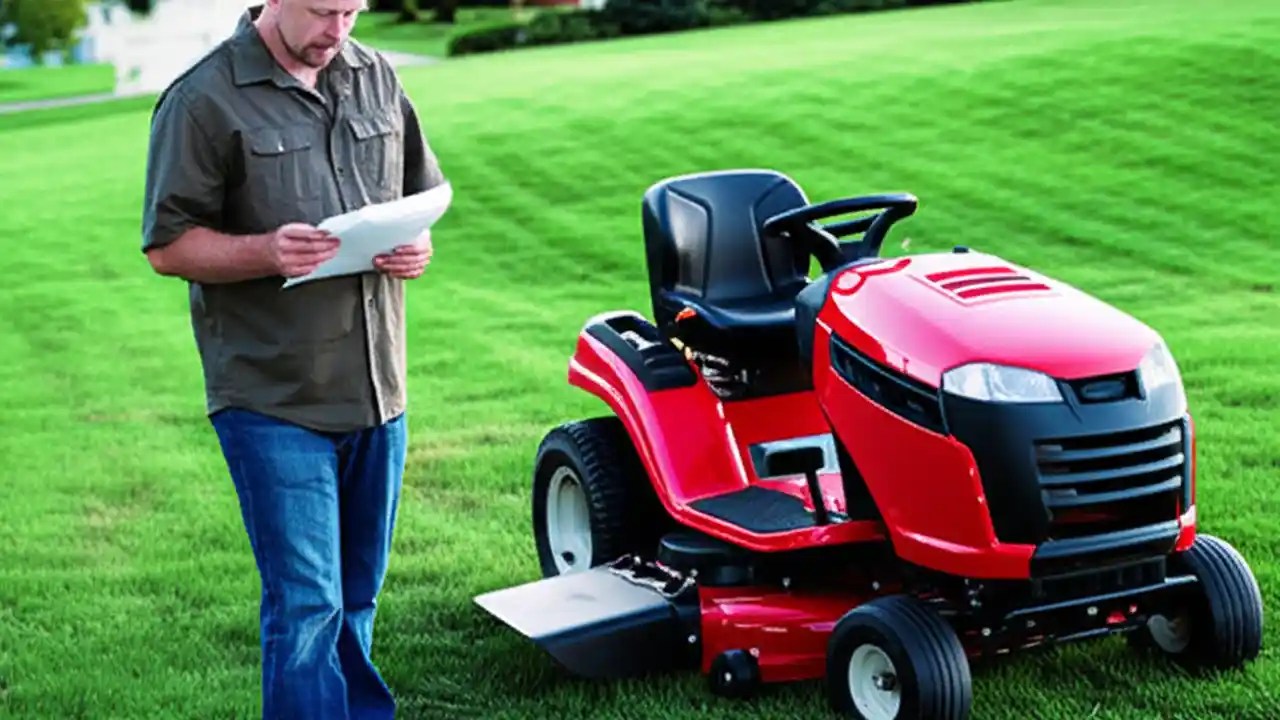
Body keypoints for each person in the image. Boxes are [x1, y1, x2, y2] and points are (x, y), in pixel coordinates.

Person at [139, 1, 445, 717]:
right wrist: (264, 251)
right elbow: (167, 245)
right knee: (307, 606)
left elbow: (418, 197)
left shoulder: (375, 75)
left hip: (377, 390)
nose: (337, 30)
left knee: (357, 597)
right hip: (272, 399)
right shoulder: (202, 98)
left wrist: (418, 246)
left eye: (351, 10)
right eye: (321, 11)